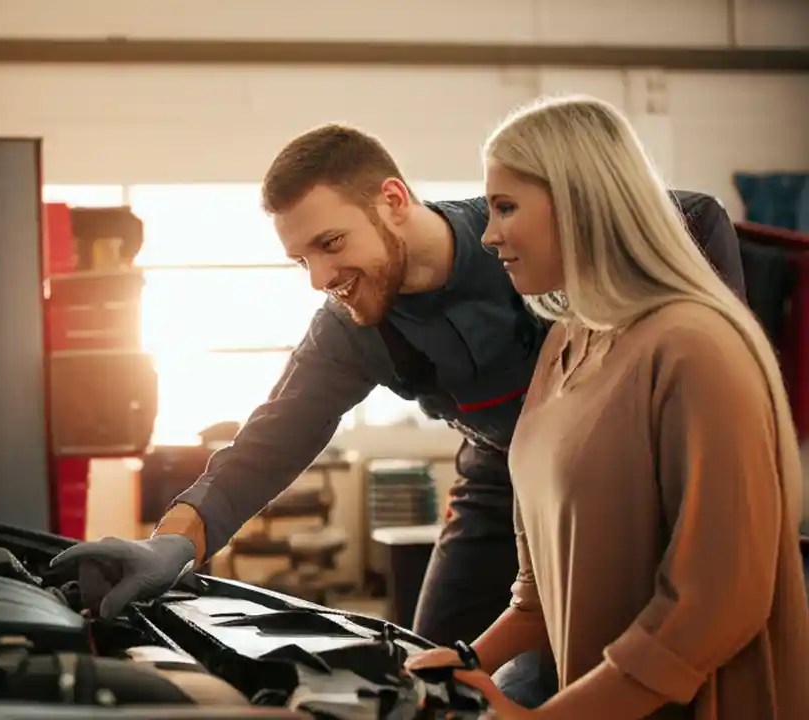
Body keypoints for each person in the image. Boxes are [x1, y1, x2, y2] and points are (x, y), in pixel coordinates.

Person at [49, 117, 745, 685]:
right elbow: (266, 444)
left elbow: (693, 219)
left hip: (622, 479)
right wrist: (173, 543)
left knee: (622, 647)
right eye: (303, 260)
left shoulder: (523, 243)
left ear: (392, 200)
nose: (322, 277)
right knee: (428, 670)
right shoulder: (351, 330)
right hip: (501, 479)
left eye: (331, 243)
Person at [404, 95, 809, 719]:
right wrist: (467, 660)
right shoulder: (568, 337)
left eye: (506, 207)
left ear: (578, 201)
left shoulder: (694, 348)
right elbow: (541, 593)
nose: (488, 235)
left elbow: (716, 605)